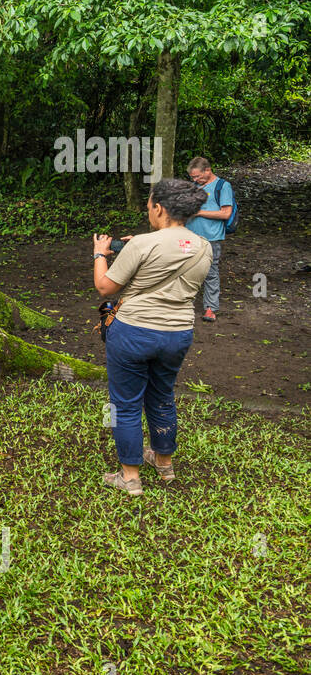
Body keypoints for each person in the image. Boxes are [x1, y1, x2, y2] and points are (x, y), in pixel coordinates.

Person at [93, 179, 211, 495]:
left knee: (126, 404)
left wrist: (100, 254)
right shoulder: (203, 246)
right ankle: (164, 463)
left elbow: (106, 287)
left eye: (149, 205)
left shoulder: (141, 244)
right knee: (162, 395)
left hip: (134, 332)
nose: (148, 210)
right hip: (178, 334)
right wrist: (141, 245)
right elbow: (173, 265)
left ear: (159, 208)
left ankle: (130, 477)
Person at [183, 156, 233, 322]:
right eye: (193, 177)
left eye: (198, 176)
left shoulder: (222, 186)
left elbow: (226, 213)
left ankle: (210, 308)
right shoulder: (194, 187)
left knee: (210, 272)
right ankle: (182, 305)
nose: (195, 180)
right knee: (185, 269)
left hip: (211, 237)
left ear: (208, 170)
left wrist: (199, 212)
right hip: (189, 236)